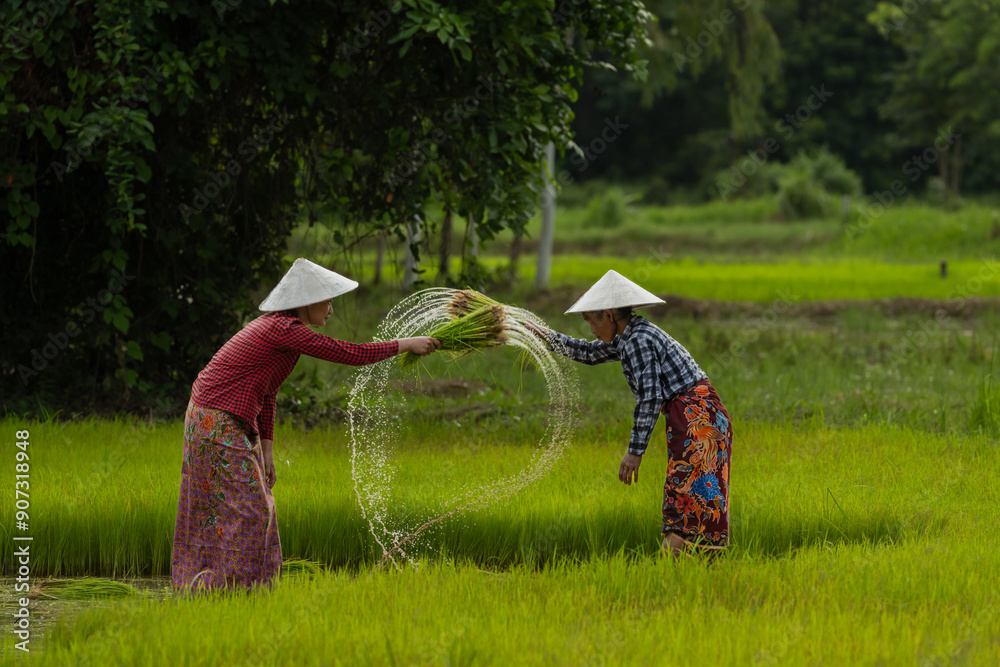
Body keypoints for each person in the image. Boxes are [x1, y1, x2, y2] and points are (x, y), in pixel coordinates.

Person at [171, 258, 440, 590]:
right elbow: (348, 353)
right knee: (250, 510)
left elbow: (268, 393)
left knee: (247, 507)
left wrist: (267, 451)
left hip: (217, 417)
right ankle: (232, 590)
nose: (330, 310)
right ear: (307, 302)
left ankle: (235, 589)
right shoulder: (282, 329)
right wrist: (405, 344)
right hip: (214, 419)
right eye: (326, 302)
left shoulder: (286, 335)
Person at [529, 270, 732, 556]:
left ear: (609, 315)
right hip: (704, 417)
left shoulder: (637, 340)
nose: (591, 330)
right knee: (703, 502)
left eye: (591, 321)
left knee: (686, 501)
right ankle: (703, 575)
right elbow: (587, 353)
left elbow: (650, 397)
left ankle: (671, 576)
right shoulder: (631, 335)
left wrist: (634, 452)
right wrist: (540, 334)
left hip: (696, 420)